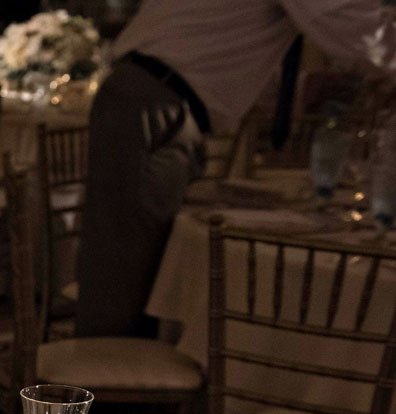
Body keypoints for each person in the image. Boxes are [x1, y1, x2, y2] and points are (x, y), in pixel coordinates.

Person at [74, 0, 396, 340]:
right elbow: (357, 30)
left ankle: (122, 376)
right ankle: (106, 386)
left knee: (134, 269)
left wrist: (304, 87)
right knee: (125, 279)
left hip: (154, 96)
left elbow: (221, 47)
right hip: (155, 105)